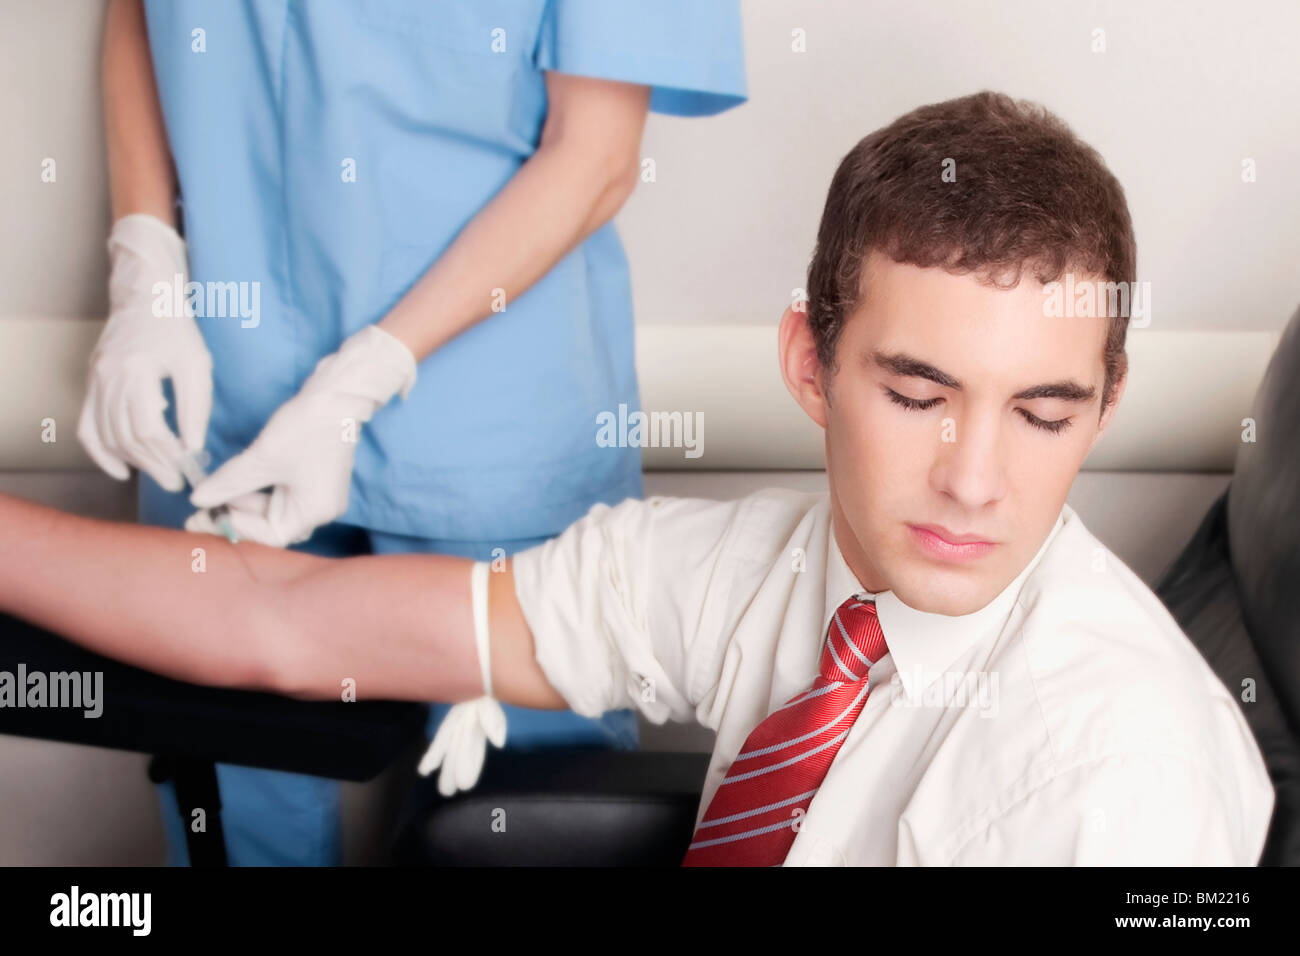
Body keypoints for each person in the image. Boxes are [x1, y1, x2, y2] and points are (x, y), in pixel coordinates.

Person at [15, 91, 1273, 865]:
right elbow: (281, 620)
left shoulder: (1120, 784)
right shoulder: (754, 577)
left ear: (1104, 406)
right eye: (915, 395)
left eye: (1043, 413)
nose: (975, 482)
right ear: (807, 359)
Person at [79, 0, 747, 865]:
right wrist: (145, 259)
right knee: (231, 822)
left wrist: (365, 376)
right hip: (219, 405)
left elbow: (597, 155)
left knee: (522, 829)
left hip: (485, 423)